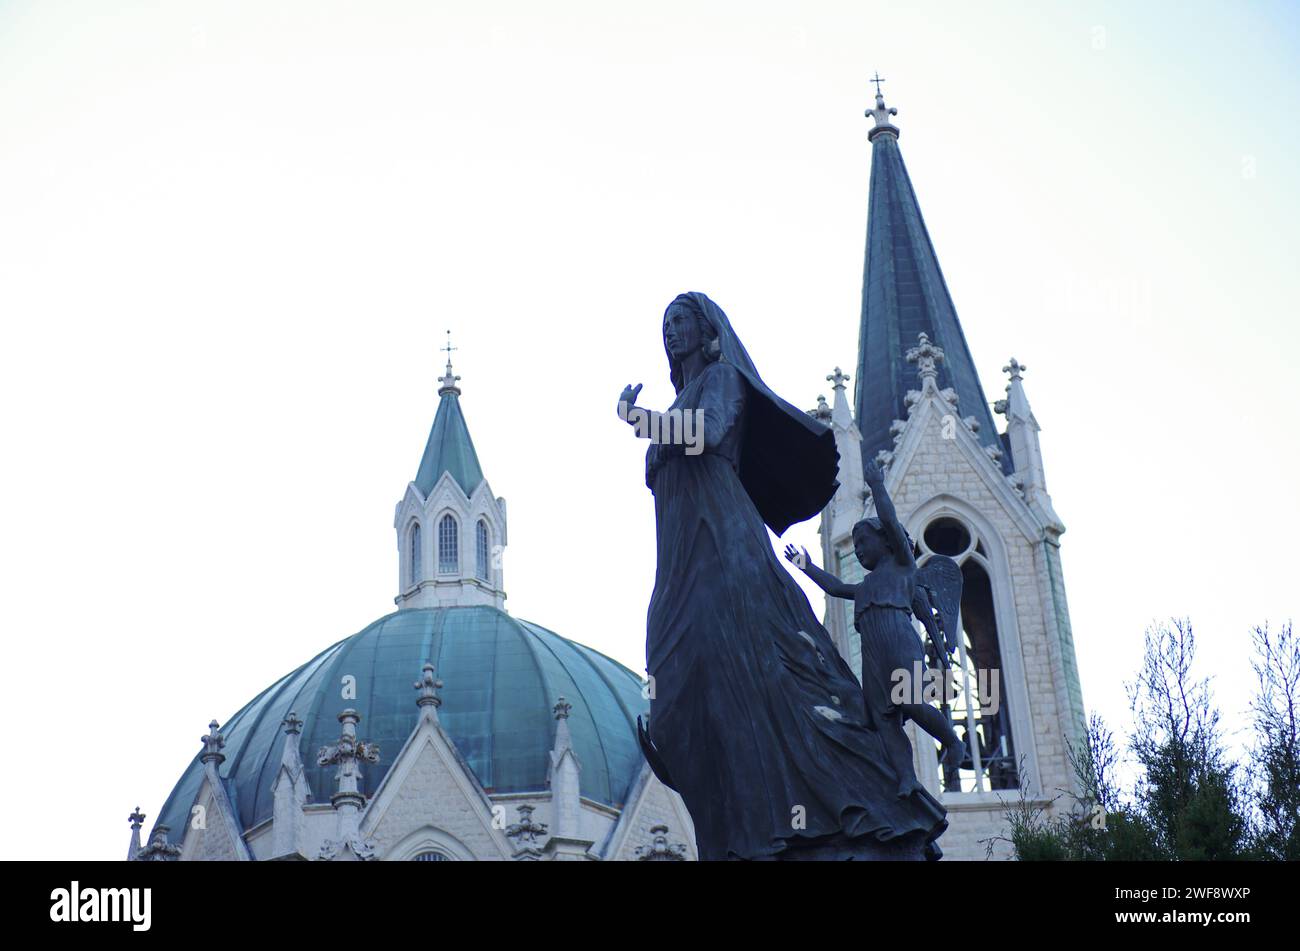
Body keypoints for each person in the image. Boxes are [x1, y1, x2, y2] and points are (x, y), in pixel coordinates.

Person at [619, 291, 946, 860]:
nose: (670, 332)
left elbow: (709, 433)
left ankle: (836, 804)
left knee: (759, 672)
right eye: (663, 325)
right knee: (677, 678)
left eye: (680, 322)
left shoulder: (721, 381)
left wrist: (643, 420)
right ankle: (728, 818)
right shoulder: (682, 398)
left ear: (706, 330)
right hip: (677, 559)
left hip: (722, 547)